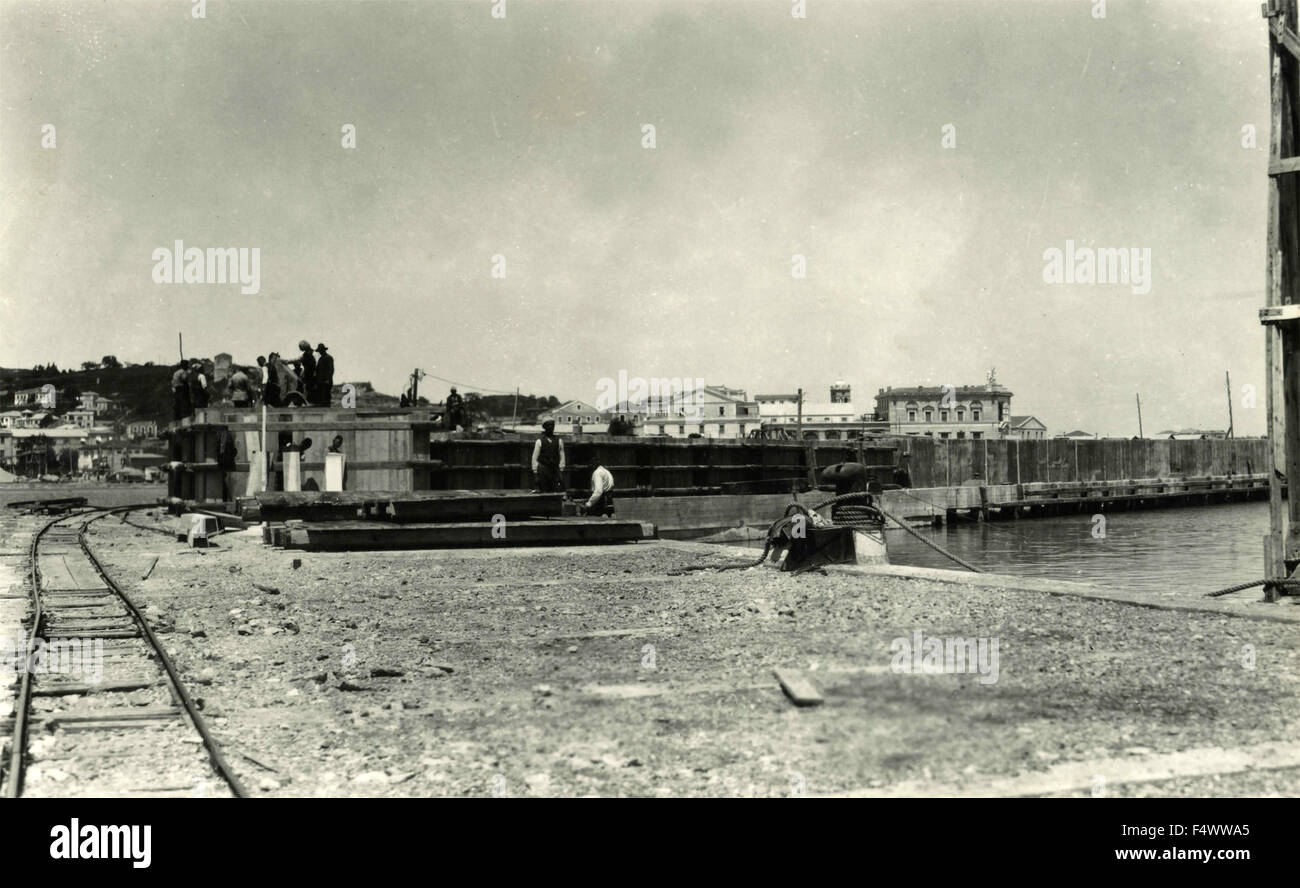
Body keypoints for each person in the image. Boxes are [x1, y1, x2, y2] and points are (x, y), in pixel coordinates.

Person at [531, 420, 565, 492]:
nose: (551, 427)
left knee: (556, 489)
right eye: (548, 425)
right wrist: (535, 472)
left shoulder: (559, 441)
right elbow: (534, 458)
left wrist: (561, 469)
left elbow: (562, 456)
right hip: (543, 470)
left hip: (554, 469)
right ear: (544, 427)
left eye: (552, 425)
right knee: (544, 490)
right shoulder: (539, 441)